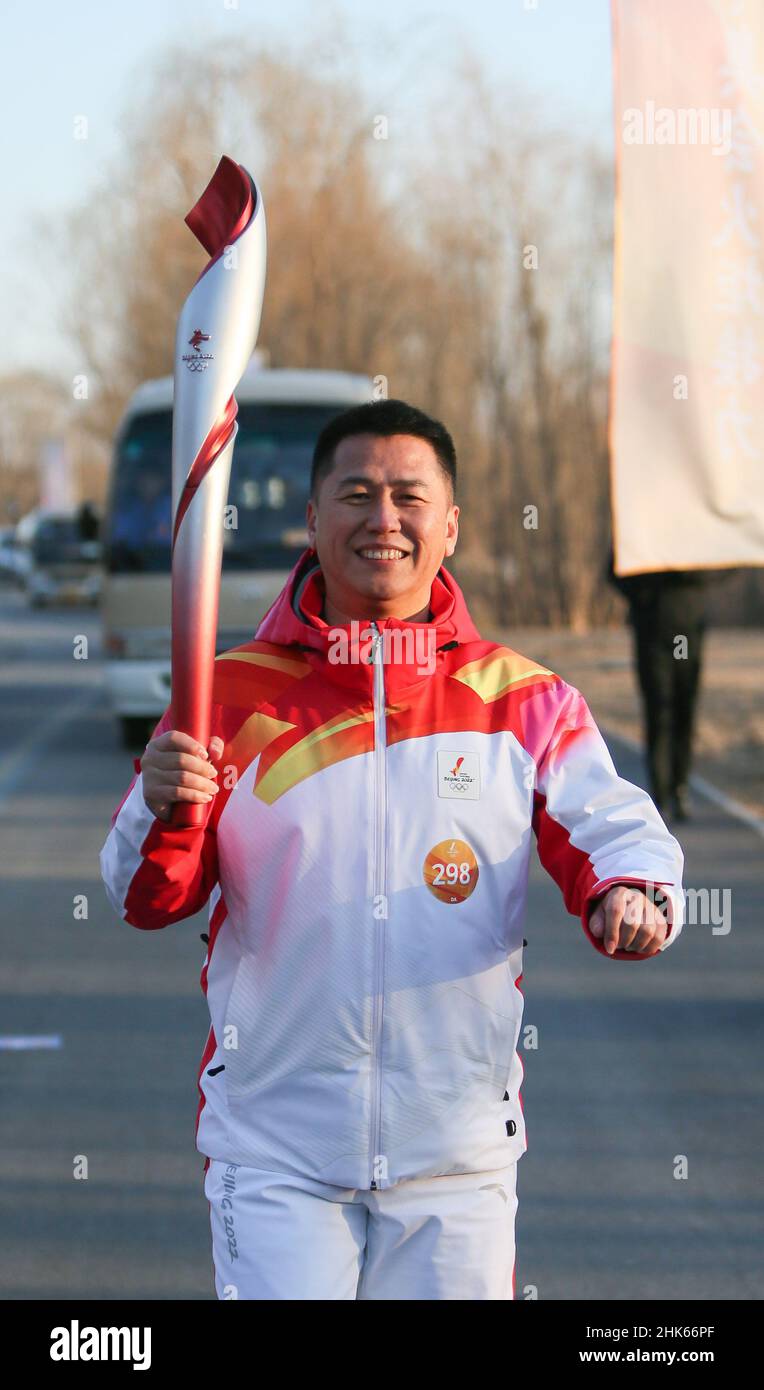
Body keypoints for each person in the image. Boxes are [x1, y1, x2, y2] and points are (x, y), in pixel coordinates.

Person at [100, 399, 685, 1301]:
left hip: (456, 1156)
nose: (384, 519)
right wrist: (165, 804)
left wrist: (630, 890)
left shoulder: (524, 701)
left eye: (410, 497)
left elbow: (611, 826)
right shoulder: (225, 694)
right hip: (275, 1147)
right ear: (311, 517)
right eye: (357, 494)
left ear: (448, 526)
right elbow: (144, 895)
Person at [607, 559, 710, 821]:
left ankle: (681, 787)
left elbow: (724, 561)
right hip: (652, 633)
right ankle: (660, 794)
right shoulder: (642, 522)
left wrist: (691, 573)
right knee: (657, 713)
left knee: (683, 709)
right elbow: (615, 569)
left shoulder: (698, 527)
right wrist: (645, 593)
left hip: (687, 631)